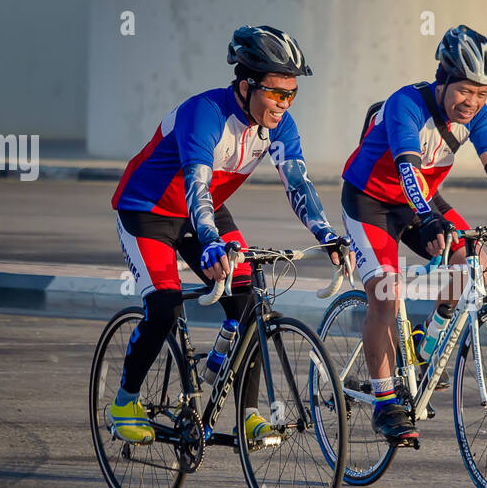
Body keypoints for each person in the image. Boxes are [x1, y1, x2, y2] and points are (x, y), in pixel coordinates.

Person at [107, 25, 346, 445]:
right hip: (148, 211)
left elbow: (298, 185)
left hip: (204, 212)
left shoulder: (279, 125)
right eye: (276, 93)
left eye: (291, 94)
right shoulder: (206, 113)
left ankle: (245, 410)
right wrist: (213, 243)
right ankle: (125, 402)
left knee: (247, 302)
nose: (284, 104)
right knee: (163, 307)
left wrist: (327, 235)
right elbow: (195, 188)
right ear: (245, 84)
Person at [340, 24, 487, 443]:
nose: (472, 102)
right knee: (386, 293)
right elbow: (407, 163)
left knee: (472, 267)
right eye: (465, 90)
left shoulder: (476, 114)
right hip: (369, 200)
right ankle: (387, 404)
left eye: (482, 94)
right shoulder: (405, 104)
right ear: (442, 79)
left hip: (420, 197)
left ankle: (426, 347)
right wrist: (424, 217)